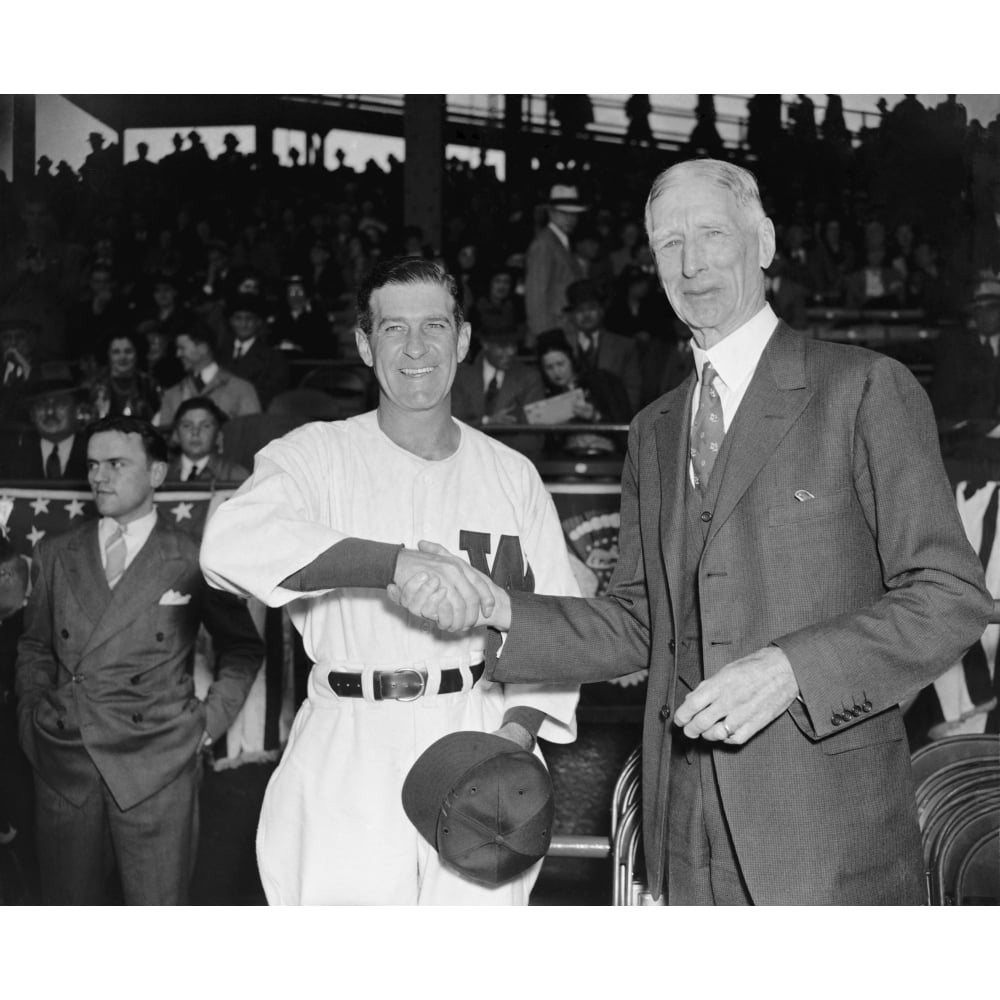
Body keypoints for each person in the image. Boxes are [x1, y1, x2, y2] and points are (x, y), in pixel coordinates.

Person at [393, 159, 993, 905]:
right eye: (669, 242)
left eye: (711, 232)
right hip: (679, 830)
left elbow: (950, 595)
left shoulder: (864, 389)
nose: (691, 260)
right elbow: (641, 618)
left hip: (826, 834)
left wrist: (791, 670)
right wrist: (498, 608)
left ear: (765, 242)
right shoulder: (655, 429)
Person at [200, 257, 579, 905]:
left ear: (462, 341)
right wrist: (393, 563)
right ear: (362, 343)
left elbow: (557, 627)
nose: (415, 348)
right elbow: (227, 545)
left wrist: (514, 741)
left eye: (434, 326)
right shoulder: (314, 454)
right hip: (349, 736)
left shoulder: (512, 475)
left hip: (476, 732)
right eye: (392, 328)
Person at [15, 415, 263, 904]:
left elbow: (242, 648)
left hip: (157, 765)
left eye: (115, 464)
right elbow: (36, 646)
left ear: (155, 474)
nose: (98, 477)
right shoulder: (55, 552)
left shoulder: (193, 556)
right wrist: (31, 717)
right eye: (91, 465)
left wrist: (206, 725)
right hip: (66, 761)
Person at [535, 329, 631, 456]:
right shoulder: (545, 393)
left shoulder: (602, 382)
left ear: (571, 360)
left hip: (607, 455)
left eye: (560, 364)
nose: (556, 372)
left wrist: (595, 416)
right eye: (549, 367)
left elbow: (624, 424)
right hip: (567, 458)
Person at [155, 322, 261, 428]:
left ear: (203, 348)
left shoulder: (242, 389)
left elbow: (253, 433)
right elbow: (164, 438)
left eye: (182, 348)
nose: (178, 354)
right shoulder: (172, 395)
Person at [563, 279, 642, 415]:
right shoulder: (562, 344)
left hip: (613, 423)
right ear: (571, 315)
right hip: (569, 421)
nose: (586, 315)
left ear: (601, 311)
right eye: (580, 310)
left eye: (591, 308)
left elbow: (633, 391)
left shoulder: (624, 346)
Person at [524, 184, 587, 348]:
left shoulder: (561, 242)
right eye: (564, 213)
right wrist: (544, 337)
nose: (570, 219)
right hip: (553, 331)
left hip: (566, 328)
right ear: (551, 212)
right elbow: (536, 295)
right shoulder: (544, 244)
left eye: (574, 214)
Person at [0, 377, 89, 480]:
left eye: (60, 403)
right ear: (32, 414)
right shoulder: (11, 457)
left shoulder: (93, 452)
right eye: (41, 404)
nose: (50, 411)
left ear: (77, 411)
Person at [224, 293, 291, 410]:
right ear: (231, 321)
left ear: (258, 322)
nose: (243, 324)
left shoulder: (274, 358)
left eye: (249, 318)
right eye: (238, 318)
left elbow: (270, 396)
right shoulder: (218, 354)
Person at [166, 397, 249, 483]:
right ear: (175, 434)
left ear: (218, 436)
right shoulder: (161, 475)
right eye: (187, 425)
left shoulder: (236, 475)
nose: (195, 432)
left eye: (205, 426)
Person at [86, 329, 162, 421]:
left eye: (128, 351)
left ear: (137, 353)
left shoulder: (150, 385)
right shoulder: (93, 386)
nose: (122, 357)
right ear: (108, 355)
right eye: (116, 352)